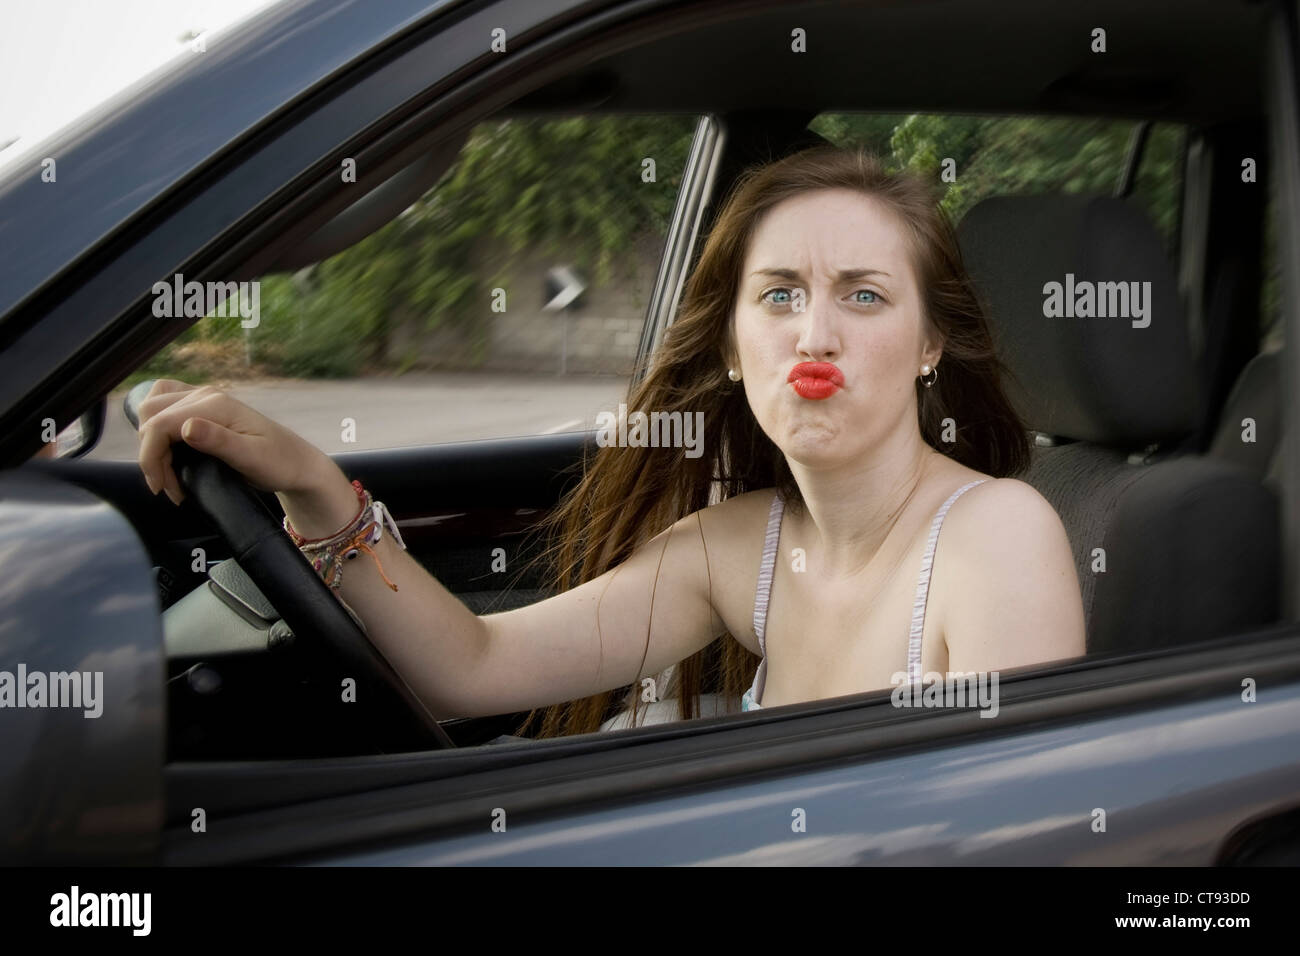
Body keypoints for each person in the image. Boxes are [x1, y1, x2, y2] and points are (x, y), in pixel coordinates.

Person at [135, 145, 1086, 739]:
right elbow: (472, 670)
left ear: (928, 346)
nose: (814, 334)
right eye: (780, 294)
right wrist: (312, 486)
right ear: (730, 343)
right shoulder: (734, 545)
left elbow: (1022, 834)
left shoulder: (997, 537)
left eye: (864, 295)